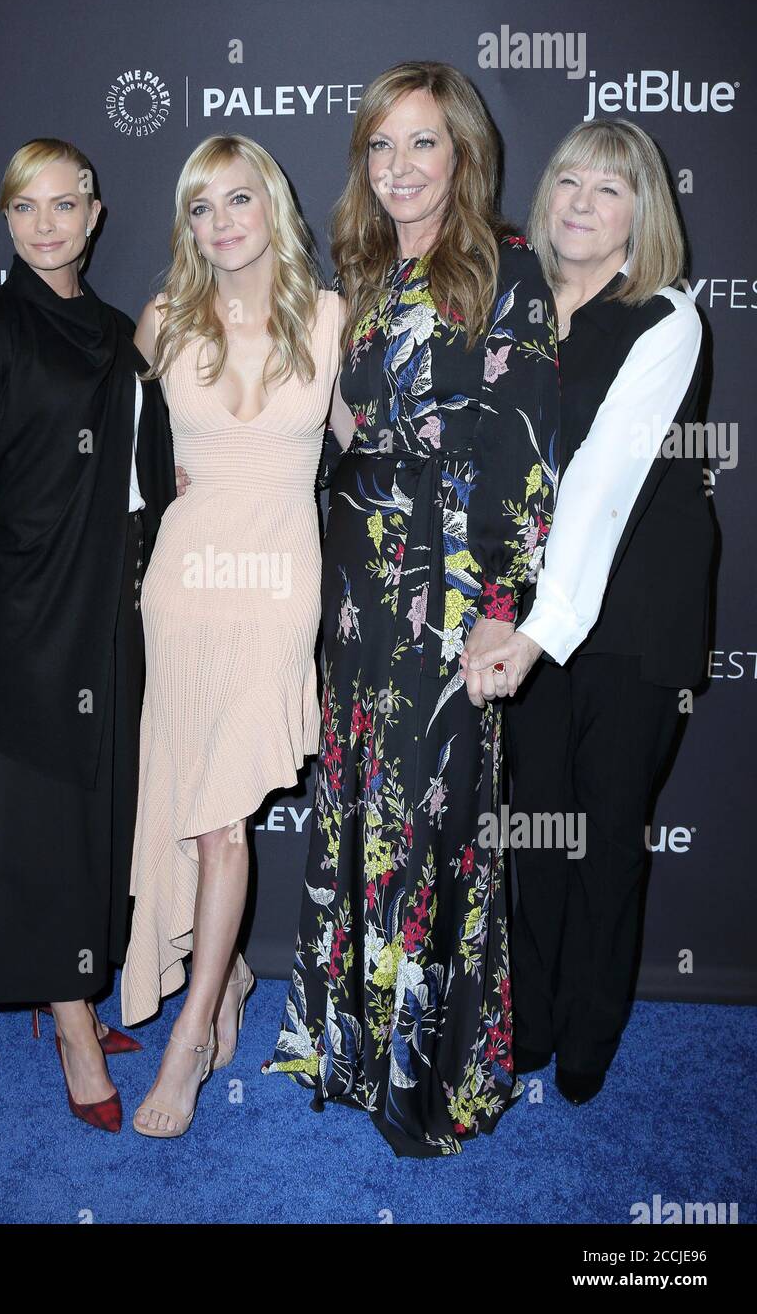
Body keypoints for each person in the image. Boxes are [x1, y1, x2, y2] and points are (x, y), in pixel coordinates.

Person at [264, 61, 560, 1158]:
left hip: (446, 597)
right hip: (358, 592)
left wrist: (498, 606)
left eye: (421, 143)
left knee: (431, 824)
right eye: (380, 147)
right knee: (359, 811)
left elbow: (523, 450)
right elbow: (341, 433)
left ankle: (426, 1078)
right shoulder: (367, 272)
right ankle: (350, 1048)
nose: (398, 168)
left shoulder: (507, 268)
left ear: (461, 153)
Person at [463, 119, 715, 1105]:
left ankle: (589, 1030)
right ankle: (527, 1013)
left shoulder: (665, 319)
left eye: (607, 190)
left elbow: (603, 484)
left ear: (638, 213)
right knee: (536, 826)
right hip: (529, 609)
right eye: (566, 179)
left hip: (629, 619)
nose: (578, 201)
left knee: (603, 832)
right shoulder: (510, 302)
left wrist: (532, 630)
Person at [0, 138, 176, 1133]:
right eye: (23, 206)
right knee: (36, 811)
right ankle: (71, 1022)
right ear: (7, 216)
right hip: (26, 609)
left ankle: (69, 981)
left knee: (93, 809)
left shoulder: (121, 333)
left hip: (111, 602)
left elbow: (148, 473)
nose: (44, 223)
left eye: (62, 204)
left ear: (95, 211)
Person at [122, 133, 346, 1137]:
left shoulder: (331, 317)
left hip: (278, 584)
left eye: (237, 201)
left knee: (223, 812)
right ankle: (218, 993)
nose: (218, 223)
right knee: (200, 810)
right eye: (199, 207)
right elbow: (110, 455)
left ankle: (189, 1043)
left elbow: (372, 453)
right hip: (183, 584)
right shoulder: (162, 321)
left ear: (274, 209)